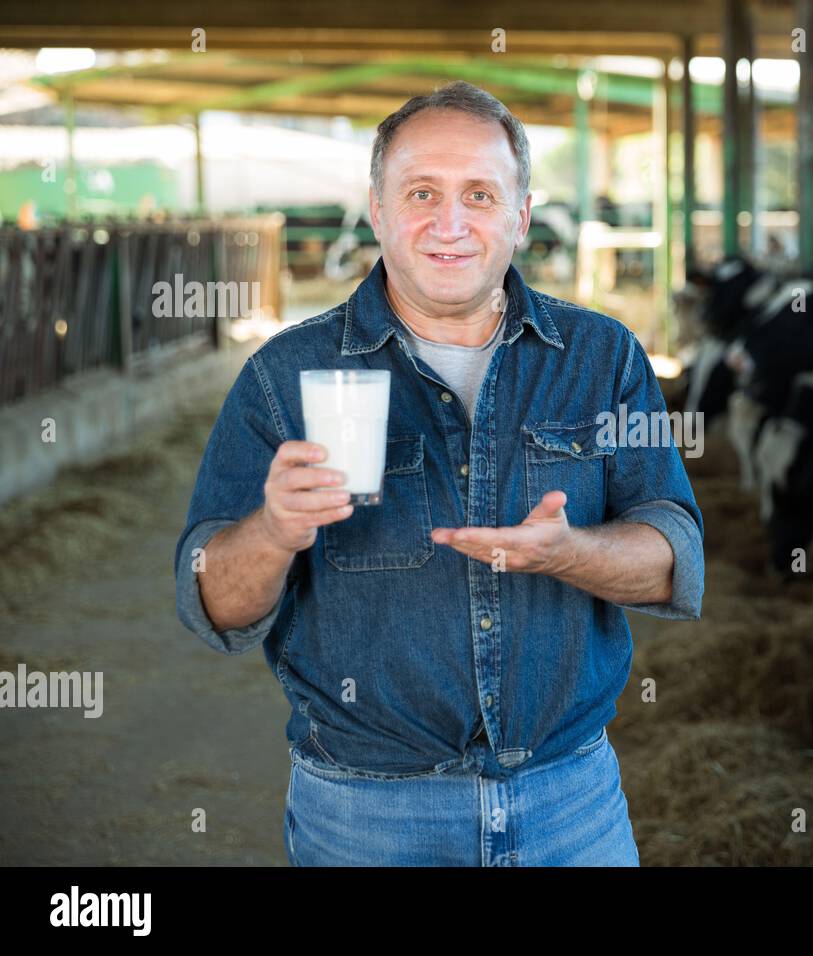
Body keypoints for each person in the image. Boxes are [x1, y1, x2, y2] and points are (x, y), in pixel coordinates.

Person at [173, 80, 705, 866]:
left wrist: (569, 553)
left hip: (570, 803)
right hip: (365, 816)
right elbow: (210, 599)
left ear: (521, 217)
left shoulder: (602, 358)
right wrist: (276, 529)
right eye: (421, 192)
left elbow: (675, 557)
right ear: (379, 209)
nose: (450, 224)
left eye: (480, 195)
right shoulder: (285, 375)